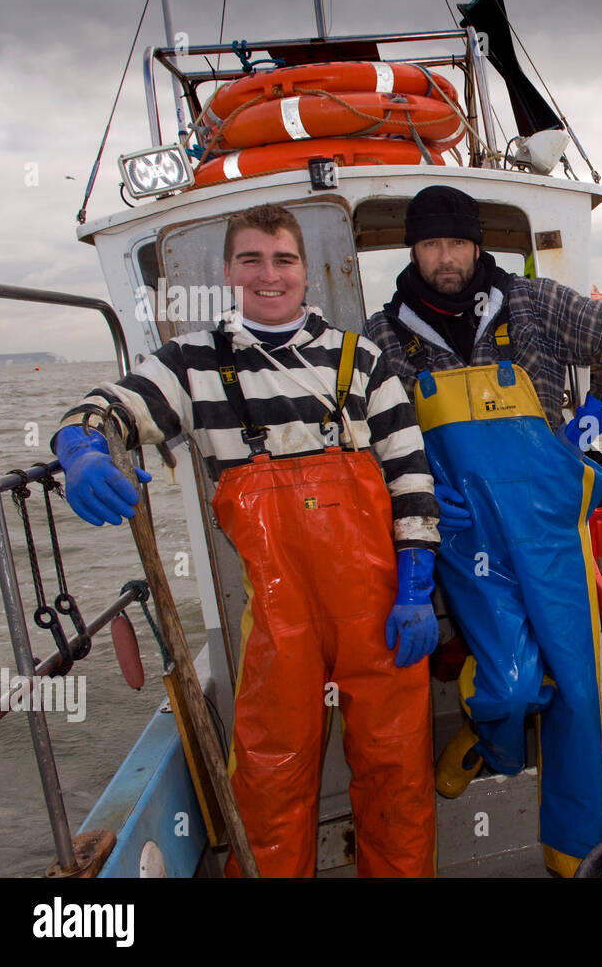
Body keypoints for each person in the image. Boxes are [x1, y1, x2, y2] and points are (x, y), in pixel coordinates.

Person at [51, 203, 440, 878]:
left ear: (306, 271)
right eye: (252, 259)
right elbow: (107, 407)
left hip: (379, 610)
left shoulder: (365, 362)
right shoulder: (192, 366)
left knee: (398, 770)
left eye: (283, 259)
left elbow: (412, 481)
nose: (269, 274)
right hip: (279, 618)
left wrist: (415, 589)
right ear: (229, 271)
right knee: (269, 777)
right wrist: (80, 447)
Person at [364, 185, 602, 876]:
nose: (446, 258)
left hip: (549, 521)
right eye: (432, 244)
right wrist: (423, 495)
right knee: (513, 685)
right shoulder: (381, 334)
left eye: (457, 242)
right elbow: (371, 432)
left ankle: (574, 846)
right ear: (413, 249)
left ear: (477, 245)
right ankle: (487, 733)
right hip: (465, 536)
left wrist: (579, 437)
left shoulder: (529, 300)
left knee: (581, 693)